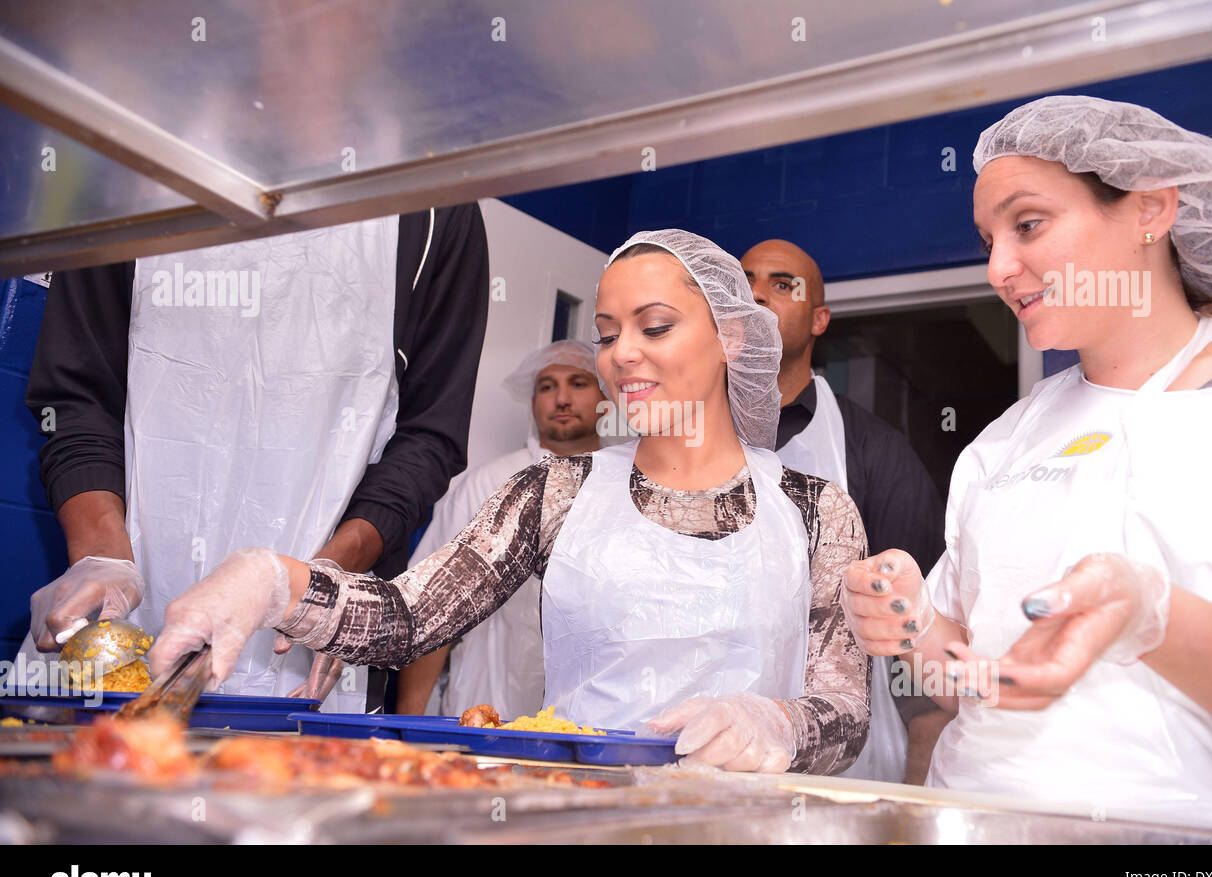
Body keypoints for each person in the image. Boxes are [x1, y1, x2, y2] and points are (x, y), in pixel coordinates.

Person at [150, 229, 871, 774]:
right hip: (583, 819)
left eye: (654, 327)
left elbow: (846, 712)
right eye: (608, 334)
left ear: (732, 335)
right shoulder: (555, 492)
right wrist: (269, 579)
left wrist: (777, 722)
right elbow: (406, 619)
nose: (620, 355)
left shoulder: (815, 510)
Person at [841, 95, 1212, 829]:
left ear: (1150, 209)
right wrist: (916, 623)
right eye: (988, 238)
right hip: (970, 821)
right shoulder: (1004, 441)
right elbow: (969, 683)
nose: (998, 266)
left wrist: (1150, 617)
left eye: (1028, 224)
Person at [23, 207, 490, 713]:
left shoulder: (438, 210)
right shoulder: (128, 175)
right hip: (129, 607)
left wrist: (323, 587)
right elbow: (74, 398)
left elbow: (430, 435)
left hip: (312, 633)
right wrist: (100, 555)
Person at [742, 239, 946, 783]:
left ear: (819, 320)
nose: (757, 295)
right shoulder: (677, 439)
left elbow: (917, 633)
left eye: (782, 285)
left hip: (836, 760)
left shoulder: (876, 452)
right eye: (744, 283)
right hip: (695, 734)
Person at [395, 340, 606, 718]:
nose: (561, 398)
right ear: (531, 403)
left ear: (606, 397)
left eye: (578, 383)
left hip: (591, 717)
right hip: (482, 702)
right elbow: (428, 608)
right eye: (546, 386)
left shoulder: (619, 487)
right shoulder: (487, 483)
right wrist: (408, 726)